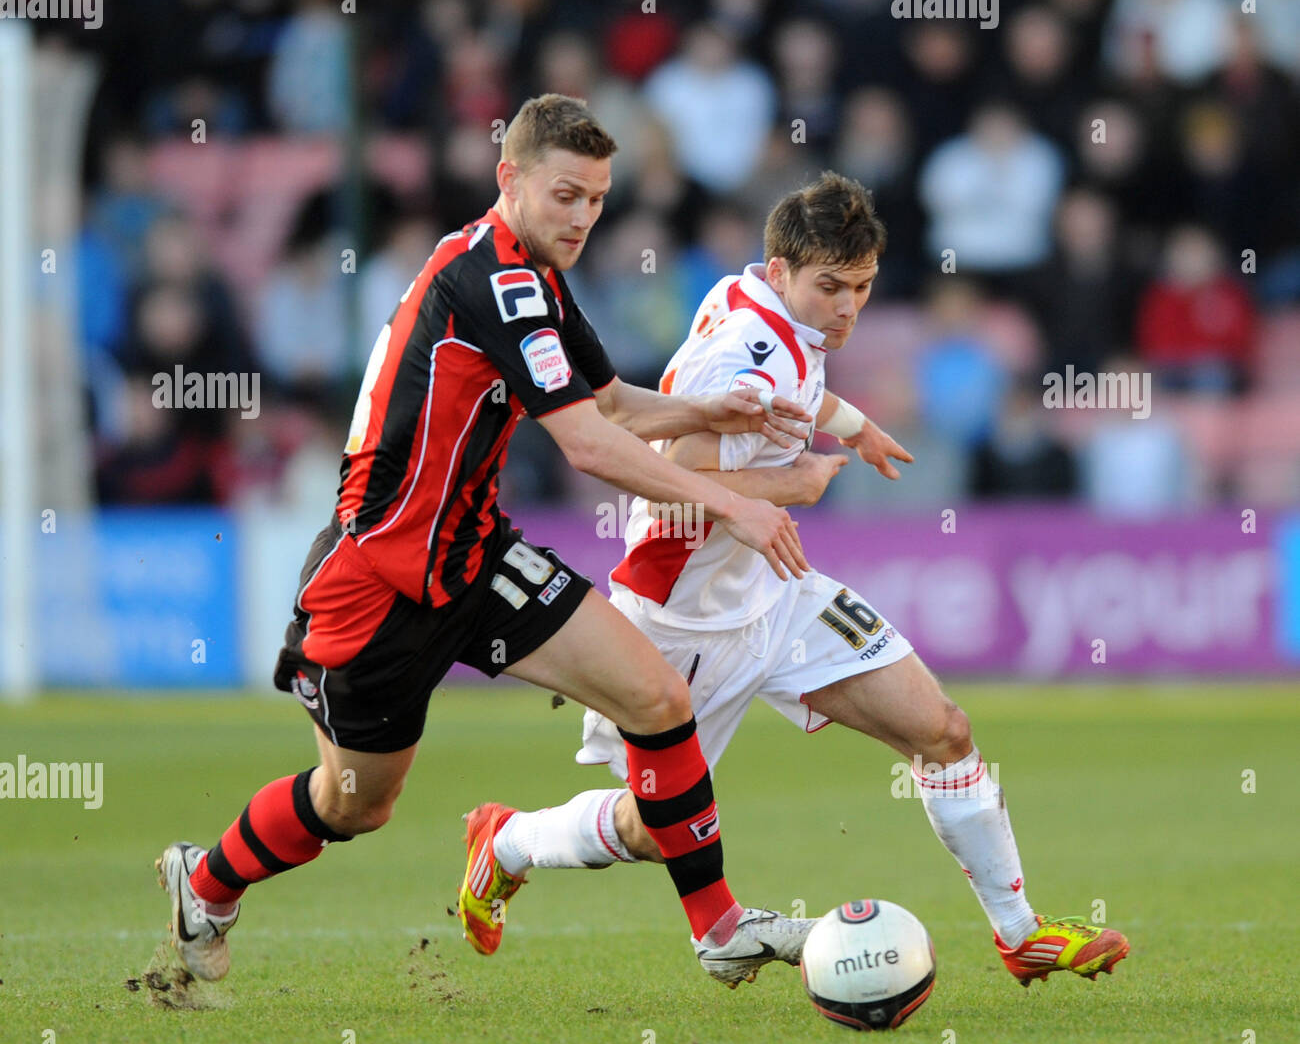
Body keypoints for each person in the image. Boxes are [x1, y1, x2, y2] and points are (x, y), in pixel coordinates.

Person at [155, 94, 820, 986]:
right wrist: (730, 502)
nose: (583, 216)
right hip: (380, 579)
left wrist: (707, 408)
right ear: (510, 179)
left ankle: (719, 927)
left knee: (660, 700)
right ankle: (204, 881)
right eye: (565, 195)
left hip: (476, 556)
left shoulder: (531, 274)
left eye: (596, 198)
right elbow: (588, 445)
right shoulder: (493, 281)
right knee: (354, 806)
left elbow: (612, 402)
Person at [463, 172, 1130, 990]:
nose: (848, 308)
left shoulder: (771, 309)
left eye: (862, 287)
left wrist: (853, 424)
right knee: (647, 830)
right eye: (831, 288)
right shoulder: (749, 349)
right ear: (780, 271)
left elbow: (793, 391)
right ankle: (506, 841)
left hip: (776, 593)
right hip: (683, 618)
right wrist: (797, 485)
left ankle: (1020, 933)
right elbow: (673, 478)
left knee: (944, 729)